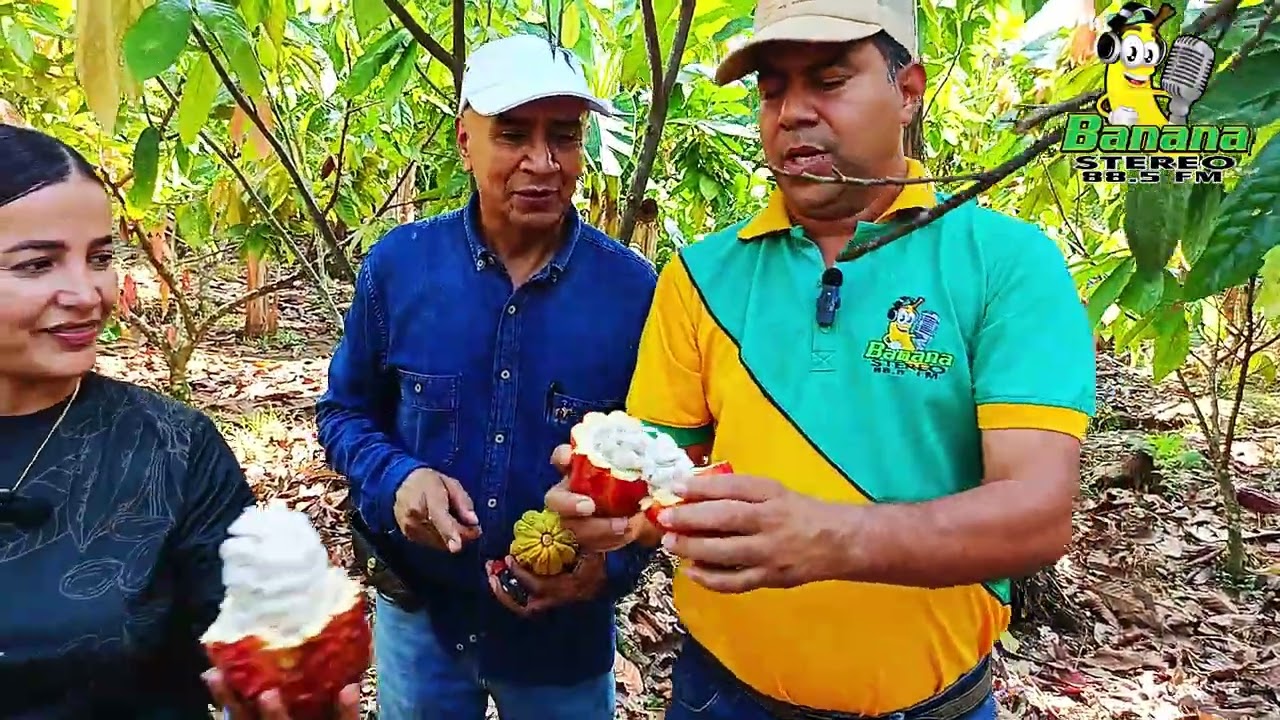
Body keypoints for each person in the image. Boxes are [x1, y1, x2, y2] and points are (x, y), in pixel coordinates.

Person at [544, 1, 1098, 719]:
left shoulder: (1005, 264)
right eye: (773, 90)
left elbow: (1037, 515)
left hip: (934, 706)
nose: (792, 113)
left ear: (908, 91)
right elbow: (664, 482)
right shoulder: (703, 277)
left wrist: (833, 539)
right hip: (722, 697)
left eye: (829, 81)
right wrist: (610, 510)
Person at [315, 33, 660, 720]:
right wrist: (396, 480)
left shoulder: (633, 293)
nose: (542, 162)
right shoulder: (400, 268)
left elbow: (659, 464)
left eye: (564, 136)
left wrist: (604, 571)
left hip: (562, 635)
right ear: (465, 140)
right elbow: (344, 413)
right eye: (512, 135)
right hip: (424, 621)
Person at [0, 123, 360, 720]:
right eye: (38, 265)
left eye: (100, 258)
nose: (87, 293)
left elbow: (254, 639)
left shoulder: (172, 448)